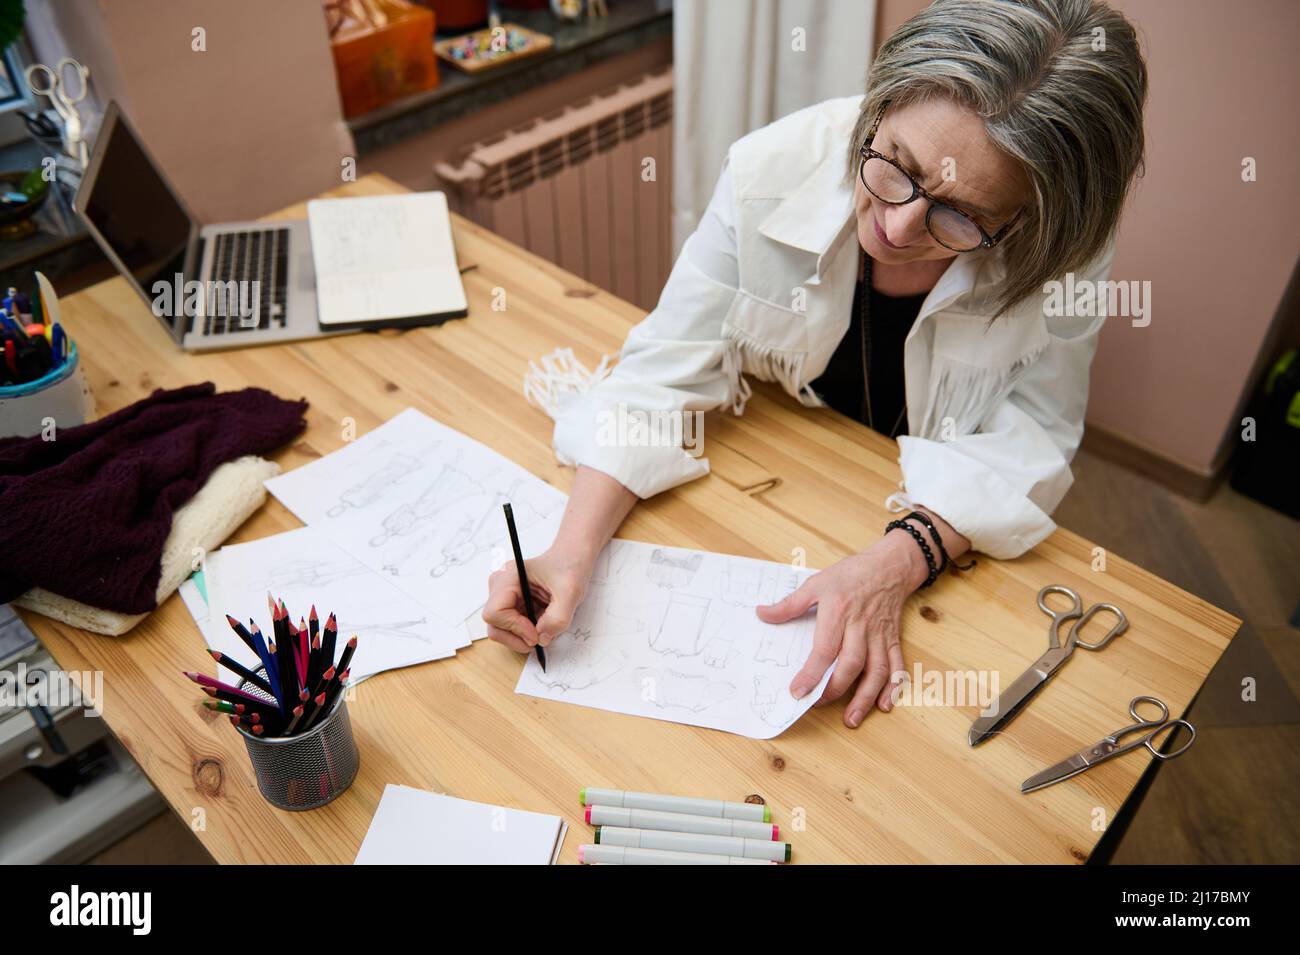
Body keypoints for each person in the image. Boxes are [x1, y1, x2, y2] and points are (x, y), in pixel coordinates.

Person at [485, 0, 1148, 728]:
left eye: (961, 216)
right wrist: (569, 556)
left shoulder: (1064, 253)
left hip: (929, 513)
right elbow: (661, 373)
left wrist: (899, 561)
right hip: (796, 466)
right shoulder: (770, 169)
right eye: (895, 164)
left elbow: (1037, 436)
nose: (895, 227)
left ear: (1028, 222)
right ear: (881, 101)